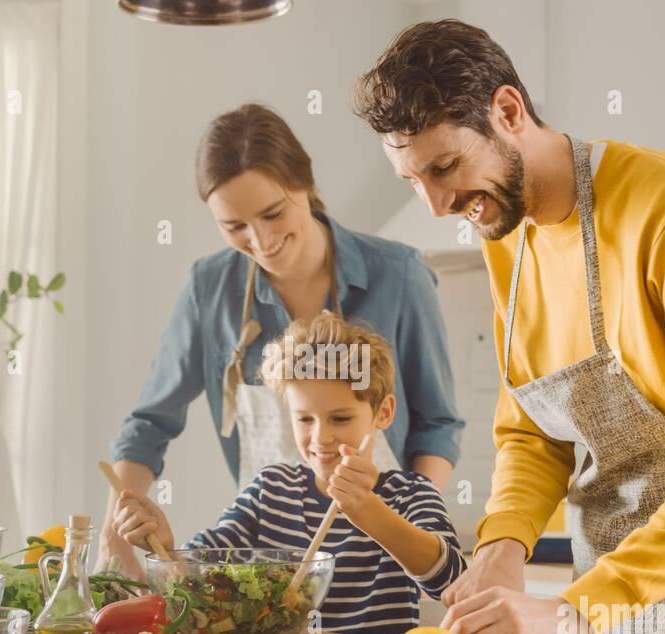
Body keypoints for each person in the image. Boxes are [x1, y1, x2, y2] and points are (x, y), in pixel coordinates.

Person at [353, 20, 665, 634]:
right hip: (598, 601)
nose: (438, 204)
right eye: (412, 180)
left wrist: (572, 608)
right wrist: (502, 551)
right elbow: (533, 432)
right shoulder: (505, 232)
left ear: (508, 111)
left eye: (444, 167)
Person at [102, 104, 464, 579]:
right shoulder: (209, 289)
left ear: (305, 185)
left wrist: (408, 522)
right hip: (270, 558)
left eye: (273, 213)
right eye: (235, 227)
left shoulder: (398, 275)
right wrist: (115, 539)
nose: (262, 239)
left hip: (386, 559)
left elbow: (437, 423)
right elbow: (149, 425)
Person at [113, 313, 465, 634]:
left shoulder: (410, 494)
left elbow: (451, 580)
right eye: (304, 419)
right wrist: (166, 546)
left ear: (383, 413)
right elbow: (199, 574)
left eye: (340, 419)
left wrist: (367, 510)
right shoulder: (272, 490)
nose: (321, 438)